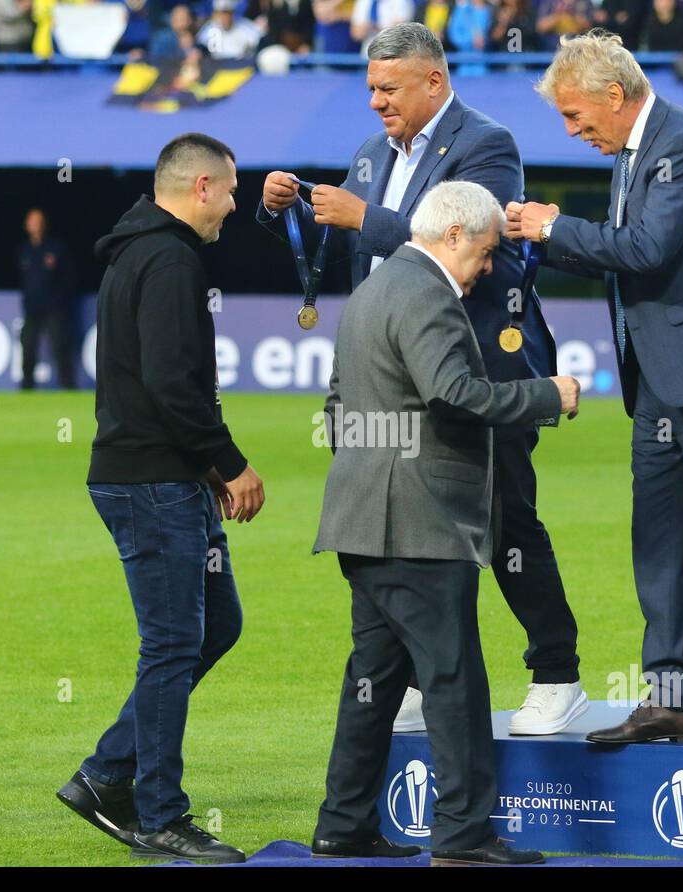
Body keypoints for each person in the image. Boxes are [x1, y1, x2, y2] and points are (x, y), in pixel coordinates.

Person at [259, 22, 588, 738]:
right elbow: (345, 233)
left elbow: (480, 246)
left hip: (477, 363)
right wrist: (284, 210)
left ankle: (557, 676)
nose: (377, 102)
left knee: (504, 521)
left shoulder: (486, 144)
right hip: (390, 373)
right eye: (371, 88)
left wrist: (364, 218)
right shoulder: (372, 154)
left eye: (389, 88)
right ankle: (404, 678)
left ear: (433, 82)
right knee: (402, 532)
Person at [508, 30, 683, 750]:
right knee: (659, 546)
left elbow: (646, 249)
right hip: (660, 384)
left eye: (577, 118)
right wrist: (549, 238)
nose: (575, 134)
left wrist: (553, 227)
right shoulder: (639, 151)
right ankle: (672, 698)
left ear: (616, 94)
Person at [311, 180, 581, 866]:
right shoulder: (428, 292)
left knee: (371, 680)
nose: (489, 268)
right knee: (454, 679)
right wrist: (548, 392)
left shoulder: (373, 288)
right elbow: (452, 392)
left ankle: (342, 826)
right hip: (419, 524)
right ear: (454, 234)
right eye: (486, 253)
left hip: (362, 518)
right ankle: (463, 836)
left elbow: (339, 406)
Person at [56, 133, 264, 861]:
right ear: (200, 186)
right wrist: (230, 464)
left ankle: (107, 774)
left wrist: (203, 467)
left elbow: (157, 380)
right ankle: (159, 816)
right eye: (232, 190)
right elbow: (172, 382)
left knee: (214, 626)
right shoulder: (170, 257)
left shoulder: (138, 250)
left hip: (161, 473)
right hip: (151, 482)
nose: (236, 205)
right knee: (175, 642)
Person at [17, 208, 76, 390]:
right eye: (32, 221)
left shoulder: (56, 249)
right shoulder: (24, 251)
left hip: (54, 309)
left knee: (60, 347)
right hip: (32, 309)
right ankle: (27, 388)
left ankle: (68, 387)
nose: (35, 225)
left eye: (38, 221)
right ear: (26, 225)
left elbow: (70, 277)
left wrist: (61, 300)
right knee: (28, 348)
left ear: (44, 224)